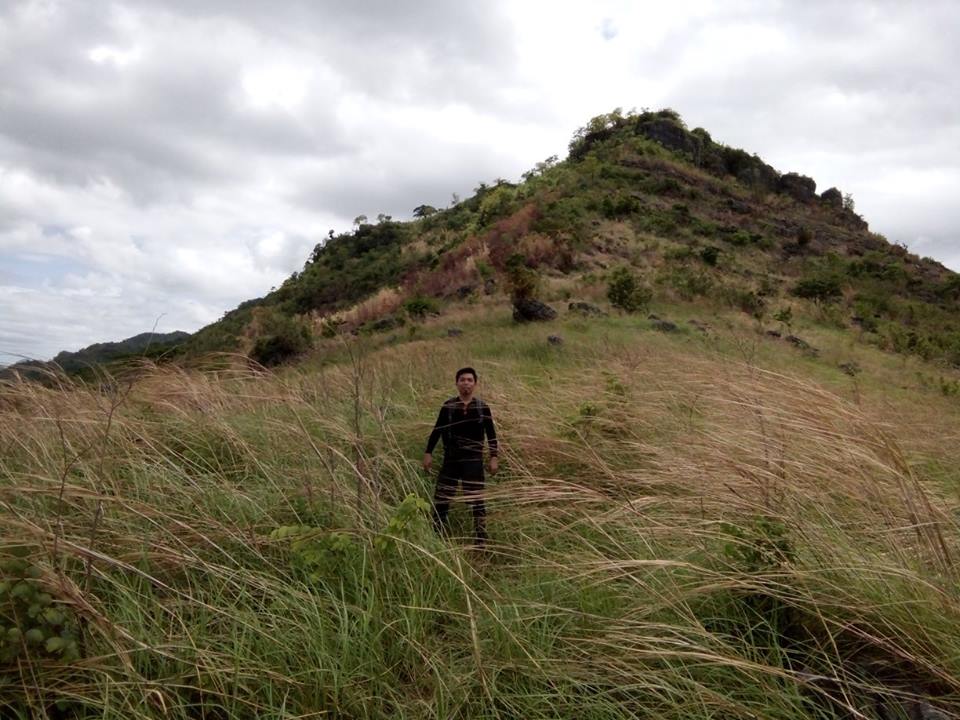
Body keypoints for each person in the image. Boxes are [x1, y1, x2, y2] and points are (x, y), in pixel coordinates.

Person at [423, 367, 498, 546]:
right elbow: (437, 430)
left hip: (473, 461)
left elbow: (491, 434)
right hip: (451, 459)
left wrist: (494, 457)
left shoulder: (482, 408)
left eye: (470, 380)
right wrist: (428, 453)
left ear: (475, 384)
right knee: (442, 497)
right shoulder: (448, 407)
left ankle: (480, 539)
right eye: (462, 380)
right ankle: (436, 536)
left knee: (476, 500)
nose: (466, 383)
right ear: (457, 383)